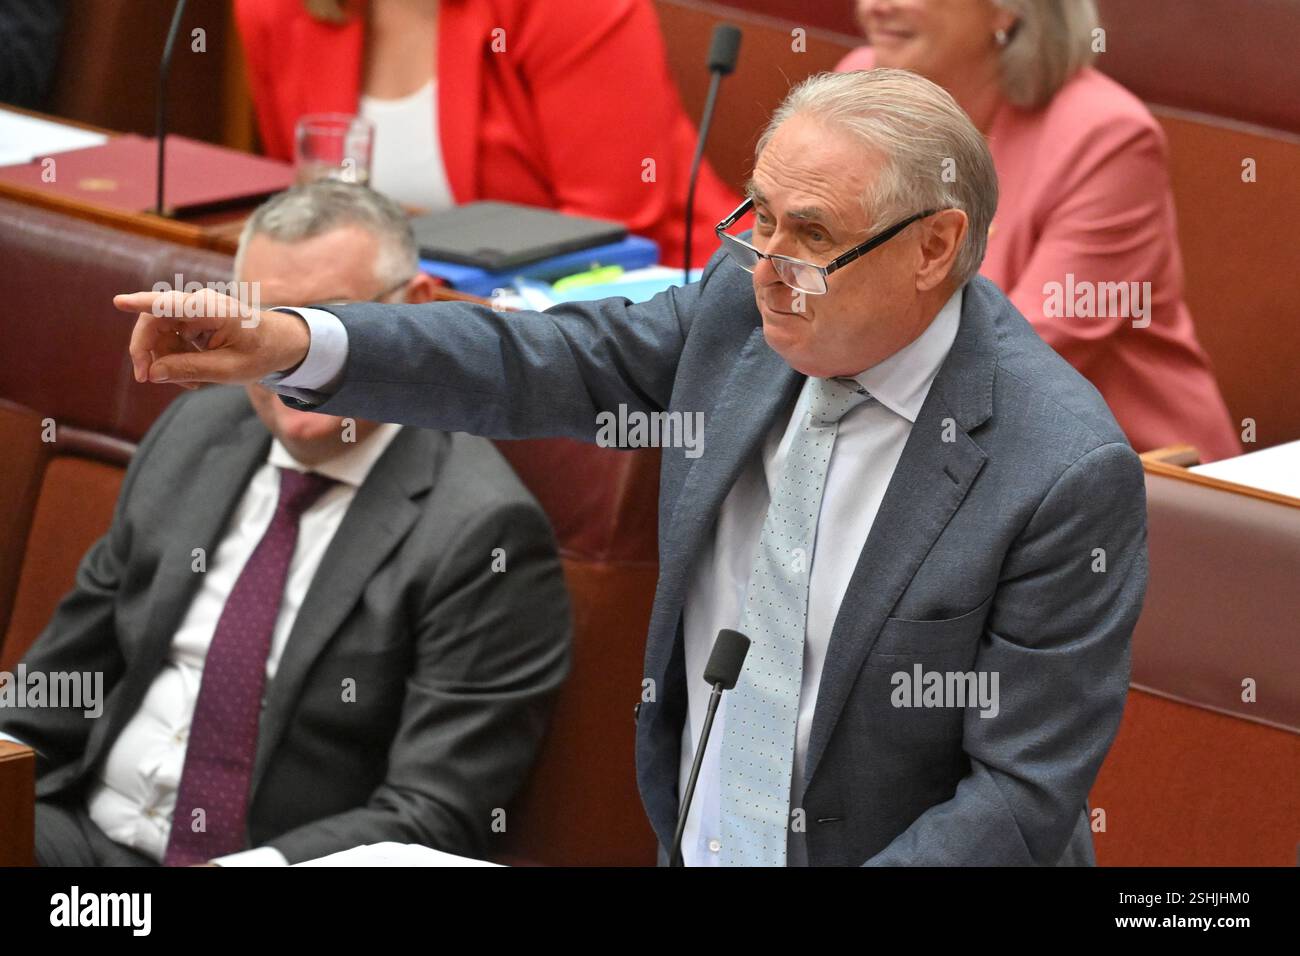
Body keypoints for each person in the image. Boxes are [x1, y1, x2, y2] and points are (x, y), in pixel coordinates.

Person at [116, 69, 1148, 866]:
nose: (768, 266)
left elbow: (1016, 796)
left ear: (935, 246)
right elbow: (530, 359)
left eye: (812, 236)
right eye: (760, 215)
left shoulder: (1057, 469)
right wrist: (297, 343)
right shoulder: (739, 311)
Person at [3, 181, 571, 866]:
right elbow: (57, 684)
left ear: (416, 309)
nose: (291, 363)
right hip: (85, 840)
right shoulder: (196, 433)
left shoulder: (481, 532)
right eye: (265, 324)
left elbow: (434, 816)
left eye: (324, 325)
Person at [837, 0, 1240, 461]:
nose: (876, 7)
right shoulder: (862, 89)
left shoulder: (1107, 137)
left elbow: (1020, 363)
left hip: (1136, 475)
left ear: (1007, 11)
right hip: (922, 440)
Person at [235, 0, 739, 268]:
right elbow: (308, 209)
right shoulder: (278, 8)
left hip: (650, 310)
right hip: (408, 318)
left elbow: (613, 231)